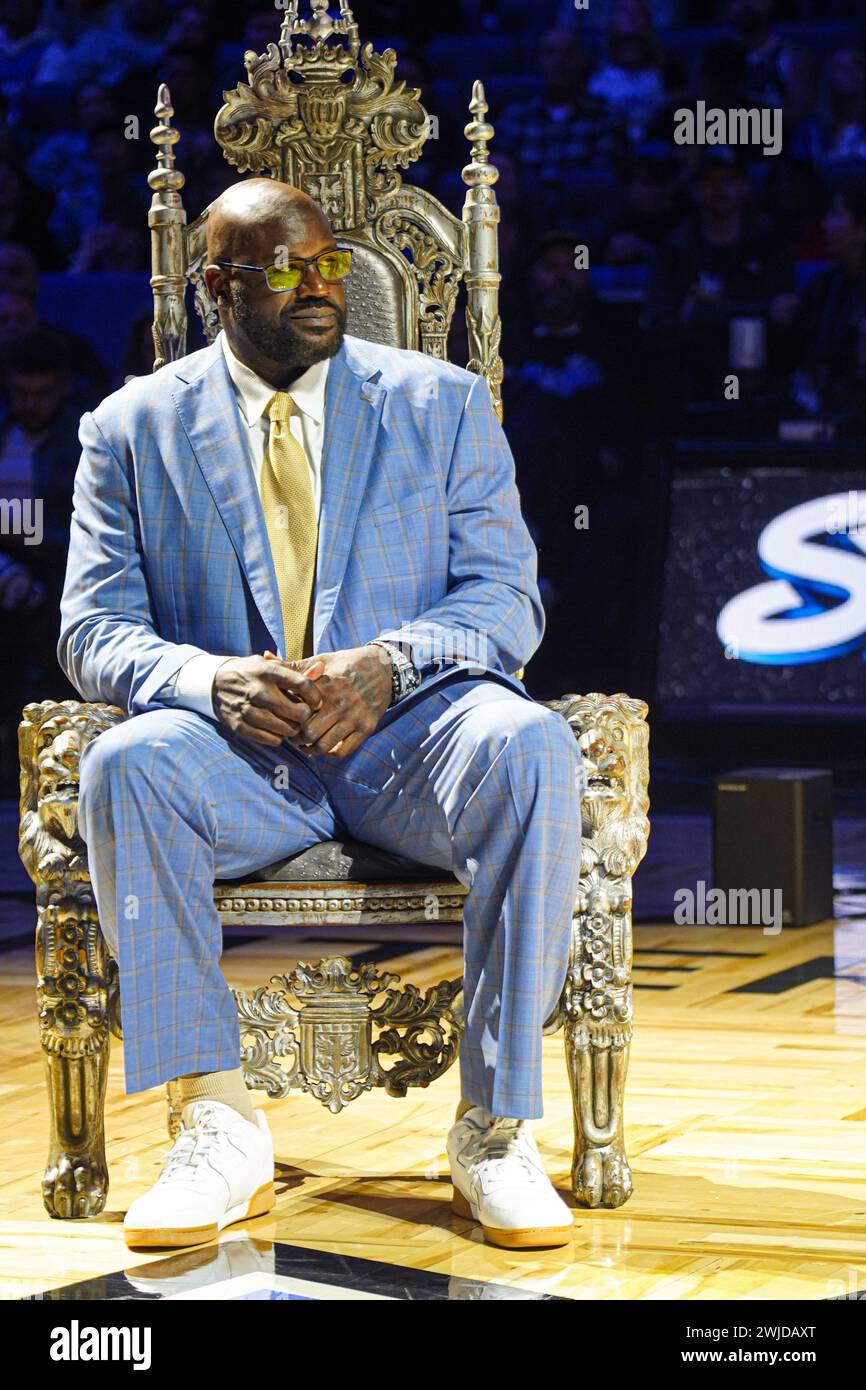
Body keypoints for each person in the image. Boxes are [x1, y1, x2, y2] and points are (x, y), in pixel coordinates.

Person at [59, 179, 587, 1253]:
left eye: (330, 266)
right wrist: (208, 680)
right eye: (287, 271)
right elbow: (91, 630)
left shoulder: (441, 404)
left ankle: (492, 1130)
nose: (319, 289)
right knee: (126, 760)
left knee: (531, 741)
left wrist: (389, 666)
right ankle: (216, 1122)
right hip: (237, 751)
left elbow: (504, 599)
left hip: (410, 738)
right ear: (218, 286)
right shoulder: (128, 428)